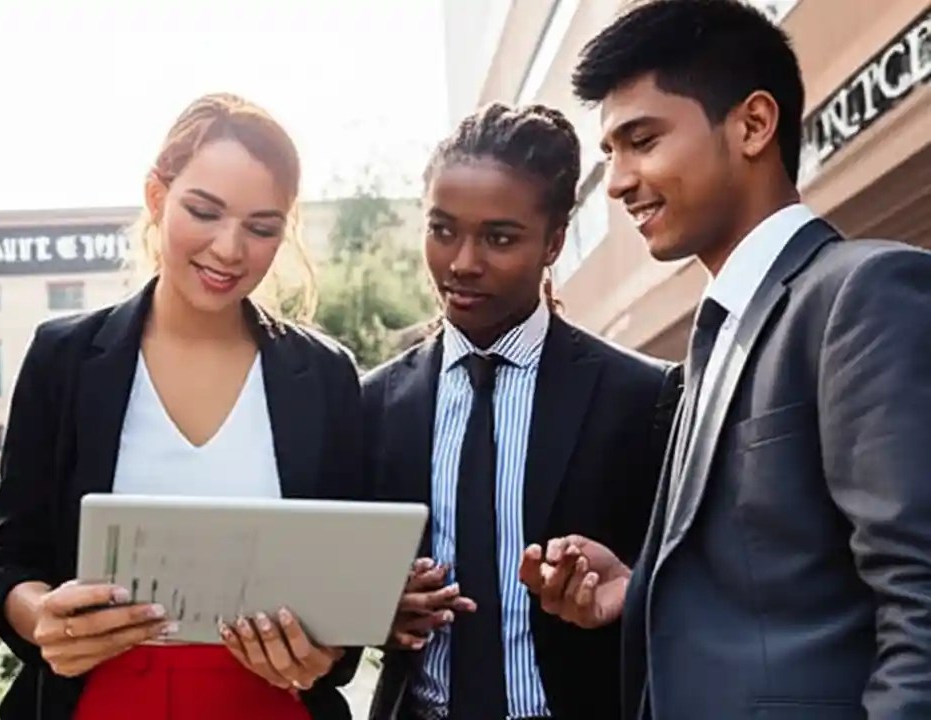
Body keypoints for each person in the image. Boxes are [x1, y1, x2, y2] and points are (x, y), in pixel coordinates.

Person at [519, 2, 931, 719]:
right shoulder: (717, 338)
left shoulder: (862, 296)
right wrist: (641, 587)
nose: (616, 182)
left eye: (640, 139)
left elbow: (921, 598)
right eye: (610, 153)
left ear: (752, 125)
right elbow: (783, 579)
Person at [0, 93, 364, 720]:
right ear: (157, 197)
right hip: (101, 702)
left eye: (262, 227)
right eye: (204, 212)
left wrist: (322, 656)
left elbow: (344, 595)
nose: (230, 249)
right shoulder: (65, 358)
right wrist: (43, 619)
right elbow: (9, 561)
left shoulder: (323, 375)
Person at [363, 102, 679, 720]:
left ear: (554, 242)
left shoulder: (643, 396)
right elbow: (333, 590)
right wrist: (377, 606)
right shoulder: (372, 405)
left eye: (499, 238)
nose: (462, 262)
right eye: (442, 229)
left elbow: (685, 586)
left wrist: (621, 589)